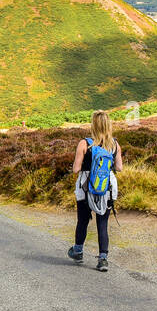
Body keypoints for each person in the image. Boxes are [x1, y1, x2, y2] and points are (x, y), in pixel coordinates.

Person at [68, 110, 121, 272]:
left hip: (86, 186)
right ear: (108, 124)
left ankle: (78, 251)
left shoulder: (85, 143)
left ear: (93, 125)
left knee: (83, 220)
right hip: (107, 187)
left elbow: (76, 169)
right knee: (102, 223)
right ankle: (103, 259)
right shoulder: (115, 144)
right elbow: (119, 167)